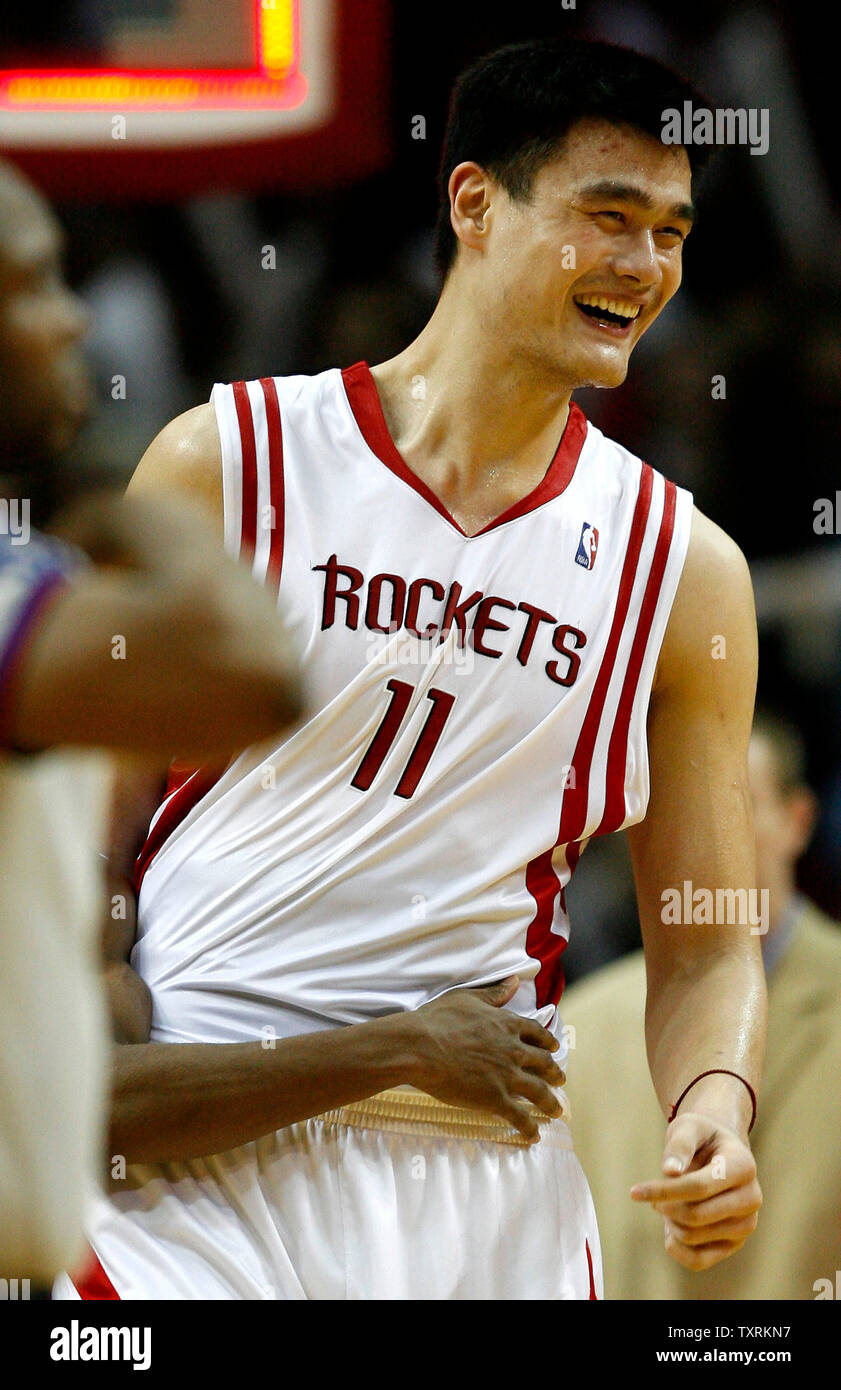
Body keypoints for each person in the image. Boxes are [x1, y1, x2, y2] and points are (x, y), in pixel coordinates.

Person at [59, 37, 766, 1302]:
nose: (644, 266)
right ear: (476, 203)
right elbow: (83, 849)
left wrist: (713, 1100)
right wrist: (101, 1055)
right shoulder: (228, 462)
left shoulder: (686, 571)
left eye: (671, 230)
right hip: (199, 1139)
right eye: (607, 217)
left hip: (478, 1168)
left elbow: (709, 943)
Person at [562, 709, 841, 1300]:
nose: (707, 838)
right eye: (681, 814)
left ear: (797, 821)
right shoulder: (579, 1025)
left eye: (736, 806)